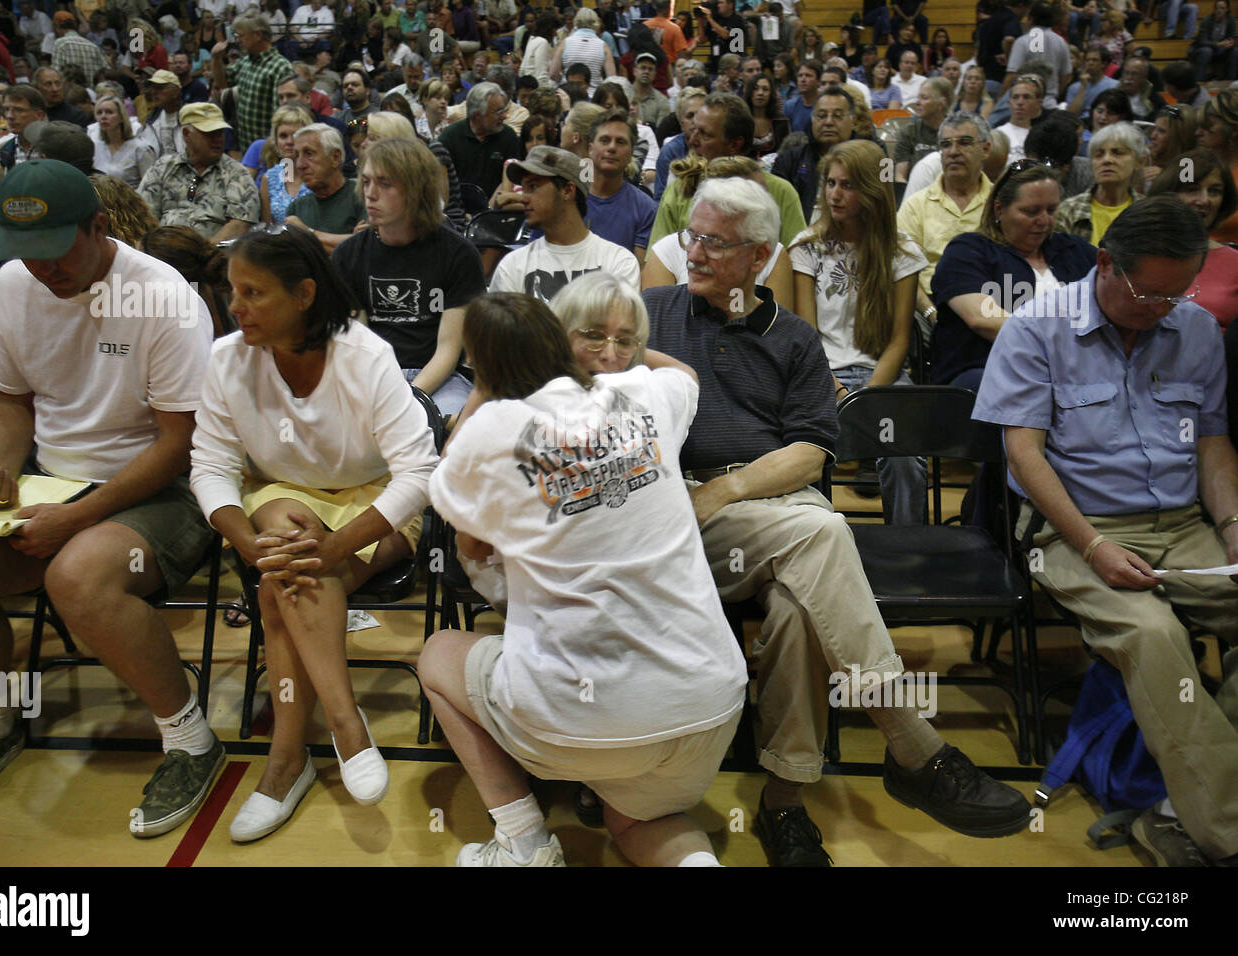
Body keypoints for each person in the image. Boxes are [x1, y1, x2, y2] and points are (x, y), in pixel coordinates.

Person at [641, 175, 1031, 866]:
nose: (692, 253)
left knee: (799, 607)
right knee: (824, 533)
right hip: (681, 517)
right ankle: (914, 748)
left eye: (713, 242)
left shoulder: (792, 338)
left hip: (759, 508)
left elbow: (811, 454)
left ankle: (784, 804)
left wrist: (728, 488)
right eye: (690, 236)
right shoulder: (650, 314)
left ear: (760, 256)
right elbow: (577, 365)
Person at [420, 285, 744, 867]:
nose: (611, 349)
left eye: (622, 340)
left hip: (577, 721)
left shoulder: (493, 429)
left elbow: (466, 537)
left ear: (481, 370)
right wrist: (631, 356)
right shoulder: (643, 390)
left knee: (439, 654)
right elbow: (687, 376)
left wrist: (486, 396)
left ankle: (523, 843)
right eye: (595, 335)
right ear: (561, 343)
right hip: (706, 705)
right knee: (639, 818)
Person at [0, 159, 218, 833]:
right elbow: (11, 399)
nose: (40, 269)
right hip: (52, 484)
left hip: (165, 491)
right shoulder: (13, 283)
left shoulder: (163, 295)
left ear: (99, 228)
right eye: (24, 255)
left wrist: (75, 518)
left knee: (79, 577)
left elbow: (179, 444)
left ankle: (190, 740)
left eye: (55, 252)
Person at [974, 195, 1238, 867]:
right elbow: (1024, 455)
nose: (1161, 308)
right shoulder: (1037, 329)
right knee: (1154, 637)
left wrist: (1233, 526)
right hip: (1070, 528)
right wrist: (1093, 545)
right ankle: (1226, 833)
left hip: (1181, 522)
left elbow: (1212, 445)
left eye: (1176, 294)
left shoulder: (1196, 328)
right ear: (1104, 263)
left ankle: (1178, 808)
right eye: (1149, 292)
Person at [189, 224, 437, 842]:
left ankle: (288, 758)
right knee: (281, 539)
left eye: (253, 293)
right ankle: (346, 726)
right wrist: (243, 540)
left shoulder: (364, 355)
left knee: (282, 583)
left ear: (304, 294)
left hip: (374, 502)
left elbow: (420, 471)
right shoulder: (226, 359)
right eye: (231, 291)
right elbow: (210, 466)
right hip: (284, 504)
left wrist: (336, 547)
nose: (234, 306)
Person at [789, 139, 928, 524]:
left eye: (847, 185)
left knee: (905, 460)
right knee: (804, 455)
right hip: (821, 375)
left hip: (881, 376)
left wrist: (865, 399)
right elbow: (807, 337)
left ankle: (908, 551)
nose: (835, 194)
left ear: (871, 189)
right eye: (831, 183)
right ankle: (816, 541)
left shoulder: (901, 251)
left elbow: (899, 340)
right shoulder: (807, 248)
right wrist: (836, 389)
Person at [332, 136, 484, 417]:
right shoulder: (348, 255)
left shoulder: (458, 253)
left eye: (385, 183)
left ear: (416, 190)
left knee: (443, 424)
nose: (371, 194)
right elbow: (357, 341)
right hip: (373, 378)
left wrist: (410, 399)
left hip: (440, 379)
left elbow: (448, 352)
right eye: (366, 182)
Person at [931, 160, 1098, 390]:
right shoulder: (967, 251)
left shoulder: (1074, 250)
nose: (1044, 220)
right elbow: (983, 320)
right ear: (999, 209)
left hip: (1074, 369)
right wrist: (1063, 344)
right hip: (987, 369)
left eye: (1051, 210)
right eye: (1031, 211)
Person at [651, 92, 805, 249]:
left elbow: (797, 264)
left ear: (734, 144)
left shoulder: (781, 192)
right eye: (694, 129)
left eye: (705, 134)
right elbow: (656, 261)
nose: (692, 140)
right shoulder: (680, 189)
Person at [489, 144, 640, 301]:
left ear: (567, 191)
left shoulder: (619, 262)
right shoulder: (512, 266)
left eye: (533, 187)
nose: (523, 198)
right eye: (524, 188)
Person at [642, 154, 794, 309]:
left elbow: (776, 324)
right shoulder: (666, 252)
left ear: (760, 256)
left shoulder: (774, 254)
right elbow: (660, 319)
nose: (694, 256)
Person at [898, 111, 996, 317]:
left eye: (965, 143)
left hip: (991, 302)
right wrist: (931, 313)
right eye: (946, 145)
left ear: (986, 149)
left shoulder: (1000, 204)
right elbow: (902, 271)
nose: (953, 151)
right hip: (931, 304)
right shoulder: (916, 206)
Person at [138, 103, 260, 244]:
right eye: (209, 133)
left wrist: (204, 254)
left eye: (220, 132)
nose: (217, 139)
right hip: (163, 256)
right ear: (186, 134)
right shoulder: (162, 168)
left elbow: (241, 225)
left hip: (214, 258)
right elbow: (143, 216)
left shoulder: (237, 174)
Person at [1147, 147, 1238, 328]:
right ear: (1168, 193)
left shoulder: (1235, 264)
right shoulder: (1139, 254)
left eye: (1214, 191)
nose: (1204, 200)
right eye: (1192, 189)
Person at [771, 85, 862, 225]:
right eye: (821, 116)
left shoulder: (877, 158)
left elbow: (888, 197)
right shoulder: (788, 160)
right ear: (813, 119)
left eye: (837, 116)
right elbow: (774, 210)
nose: (829, 122)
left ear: (853, 121)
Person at [209, 11, 294, 151]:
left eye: (240, 35)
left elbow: (280, 116)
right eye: (235, 36)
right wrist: (216, 59)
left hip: (270, 150)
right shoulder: (246, 61)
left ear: (258, 35)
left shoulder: (280, 66)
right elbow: (222, 82)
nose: (237, 40)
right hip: (247, 148)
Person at [1055, 121, 1146, 244]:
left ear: (1138, 162)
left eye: (1117, 153)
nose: (1107, 160)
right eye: (1099, 155)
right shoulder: (1068, 211)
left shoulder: (1149, 213)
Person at [585, 108, 657, 263]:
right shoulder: (567, 199)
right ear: (590, 149)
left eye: (620, 142)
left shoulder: (646, 209)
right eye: (604, 140)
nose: (611, 147)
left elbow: (640, 272)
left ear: (631, 152)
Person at [284, 124, 365, 254]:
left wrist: (306, 233)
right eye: (297, 156)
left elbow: (363, 249)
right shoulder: (296, 208)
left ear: (335, 157)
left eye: (309, 154)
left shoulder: (363, 196)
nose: (300, 165)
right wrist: (349, 240)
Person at [437, 81, 521, 196]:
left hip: (498, 208)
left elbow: (513, 183)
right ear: (477, 115)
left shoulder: (508, 136)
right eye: (498, 112)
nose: (504, 116)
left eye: (504, 110)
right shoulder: (450, 138)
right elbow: (441, 184)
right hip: (458, 208)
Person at [258, 105, 314, 225]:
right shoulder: (269, 178)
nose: (289, 142)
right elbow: (268, 228)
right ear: (276, 141)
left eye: (295, 135)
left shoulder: (318, 173)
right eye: (283, 136)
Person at [92, 93, 156, 188]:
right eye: (99, 113)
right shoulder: (95, 147)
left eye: (109, 112)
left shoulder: (140, 149)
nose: (103, 116)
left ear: (121, 117)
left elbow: (151, 185)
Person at [895, 77, 951, 183]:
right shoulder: (909, 132)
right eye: (918, 97)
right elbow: (899, 176)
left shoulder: (956, 133)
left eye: (924, 98)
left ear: (941, 104)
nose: (917, 102)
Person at [1199, 91, 1238, 241]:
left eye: (1207, 127)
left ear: (1233, 130)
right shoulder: (1189, 161)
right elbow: (1181, 197)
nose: (1198, 133)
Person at [1145, 105, 1199, 190]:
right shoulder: (1146, 155)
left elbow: (1188, 186)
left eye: (1161, 131)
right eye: (1155, 128)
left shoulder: (1194, 162)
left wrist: (1165, 176)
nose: (1153, 136)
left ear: (1179, 136)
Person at [997, 73, 1044, 162]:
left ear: (1038, 103)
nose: (1020, 102)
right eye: (1015, 97)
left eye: (1026, 97)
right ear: (1009, 102)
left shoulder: (1041, 138)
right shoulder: (998, 134)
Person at [744, 73, 790, 158]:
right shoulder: (741, 120)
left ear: (771, 94)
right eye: (755, 89)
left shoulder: (781, 121)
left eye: (765, 89)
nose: (760, 93)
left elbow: (786, 153)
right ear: (750, 92)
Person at [1191, 0, 1238, 82]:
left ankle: (1231, 81)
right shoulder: (1207, 20)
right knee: (1206, 51)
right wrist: (1217, 44)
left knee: (1235, 51)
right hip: (1204, 48)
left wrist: (1231, 42)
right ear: (1214, 9)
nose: (1219, 10)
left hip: (1221, 49)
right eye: (1217, 8)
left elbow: (1232, 37)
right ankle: (1199, 82)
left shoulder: (1231, 20)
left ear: (1227, 9)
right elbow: (1202, 41)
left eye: (1222, 8)